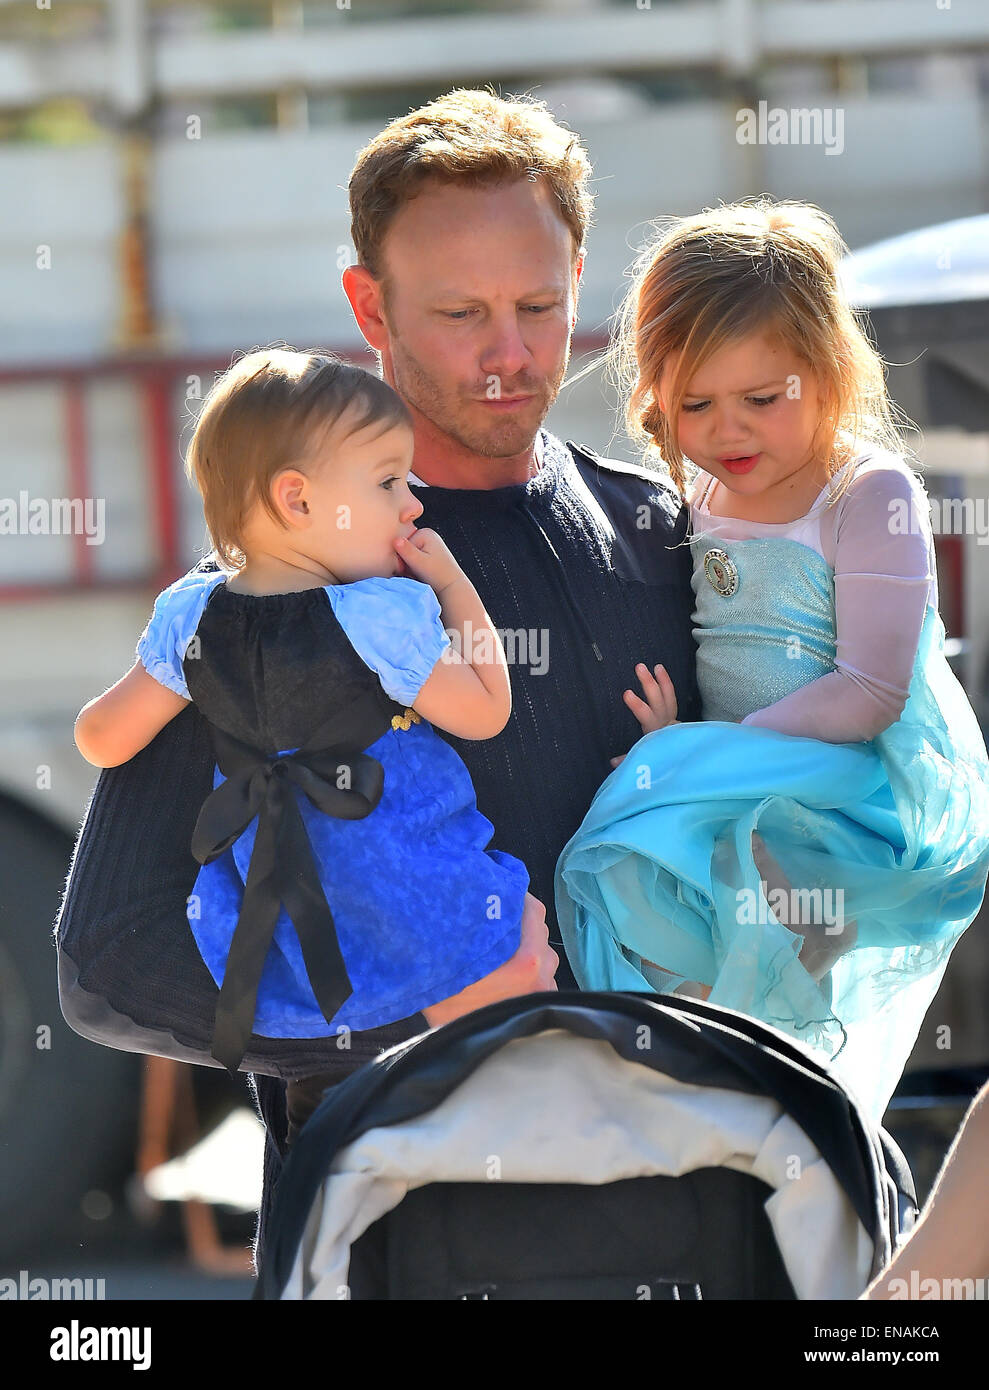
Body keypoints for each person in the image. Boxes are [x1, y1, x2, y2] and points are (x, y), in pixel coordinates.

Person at [55, 89, 700, 1262]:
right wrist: (421, 1007)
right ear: (370, 306)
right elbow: (110, 964)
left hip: (674, 1211)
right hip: (391, 1228)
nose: (509, 354)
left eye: (541, 306)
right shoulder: (268, 598)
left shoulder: (662, 533)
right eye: (459, 312)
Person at [555, 198, 989, 1120]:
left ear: (826, 373)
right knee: (632, 875)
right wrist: (685, 743)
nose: (727, 431)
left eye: (760, 399)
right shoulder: (702, 492)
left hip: (845, 786)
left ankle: (781, 1086)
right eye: (694, 406)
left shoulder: (863, 493)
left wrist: (710, 755)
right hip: (739, 770)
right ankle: (707, 1093)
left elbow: (870, 690)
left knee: (756, 921)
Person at [73, 348, 541, 1079]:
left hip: (279, 926)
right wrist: (452, 586)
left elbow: (100, 739)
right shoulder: (380, 614)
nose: (412, 503)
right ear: (297, 500)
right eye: (388, 482)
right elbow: (485, 711)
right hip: (426, 900)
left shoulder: (191, 613)